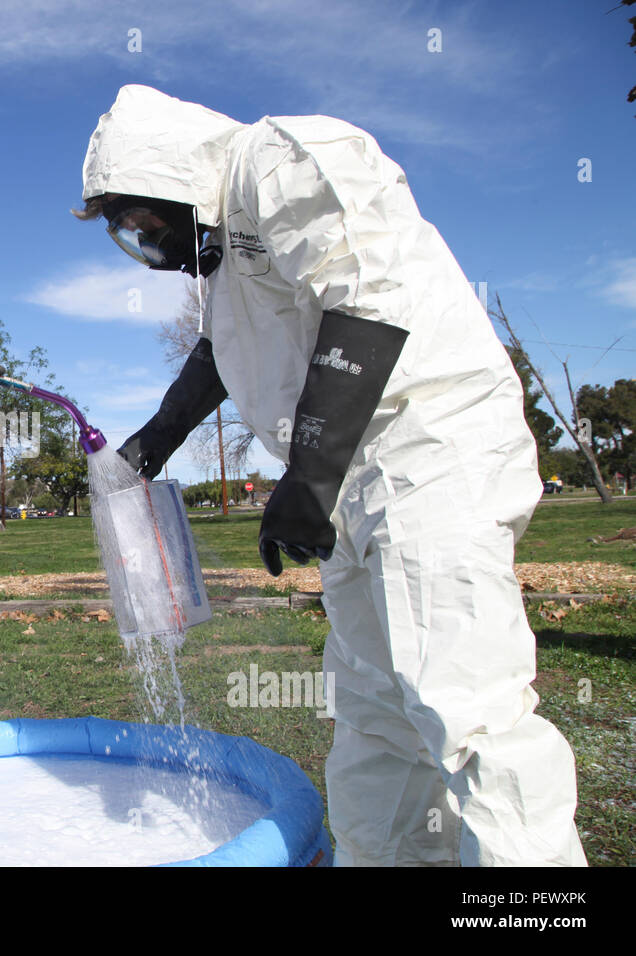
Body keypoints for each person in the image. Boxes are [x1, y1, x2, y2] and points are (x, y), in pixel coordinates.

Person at [79, 84, 586, 866]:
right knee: (374, 709)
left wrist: (310, 478)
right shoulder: (224, 256)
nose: (145, 247)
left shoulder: (284, 157)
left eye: (141, 224)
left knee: (464, 700)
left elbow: (369, 301)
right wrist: (154, 442)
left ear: (174, 178)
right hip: (353, 472)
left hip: (426, 448)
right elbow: (220, 352)